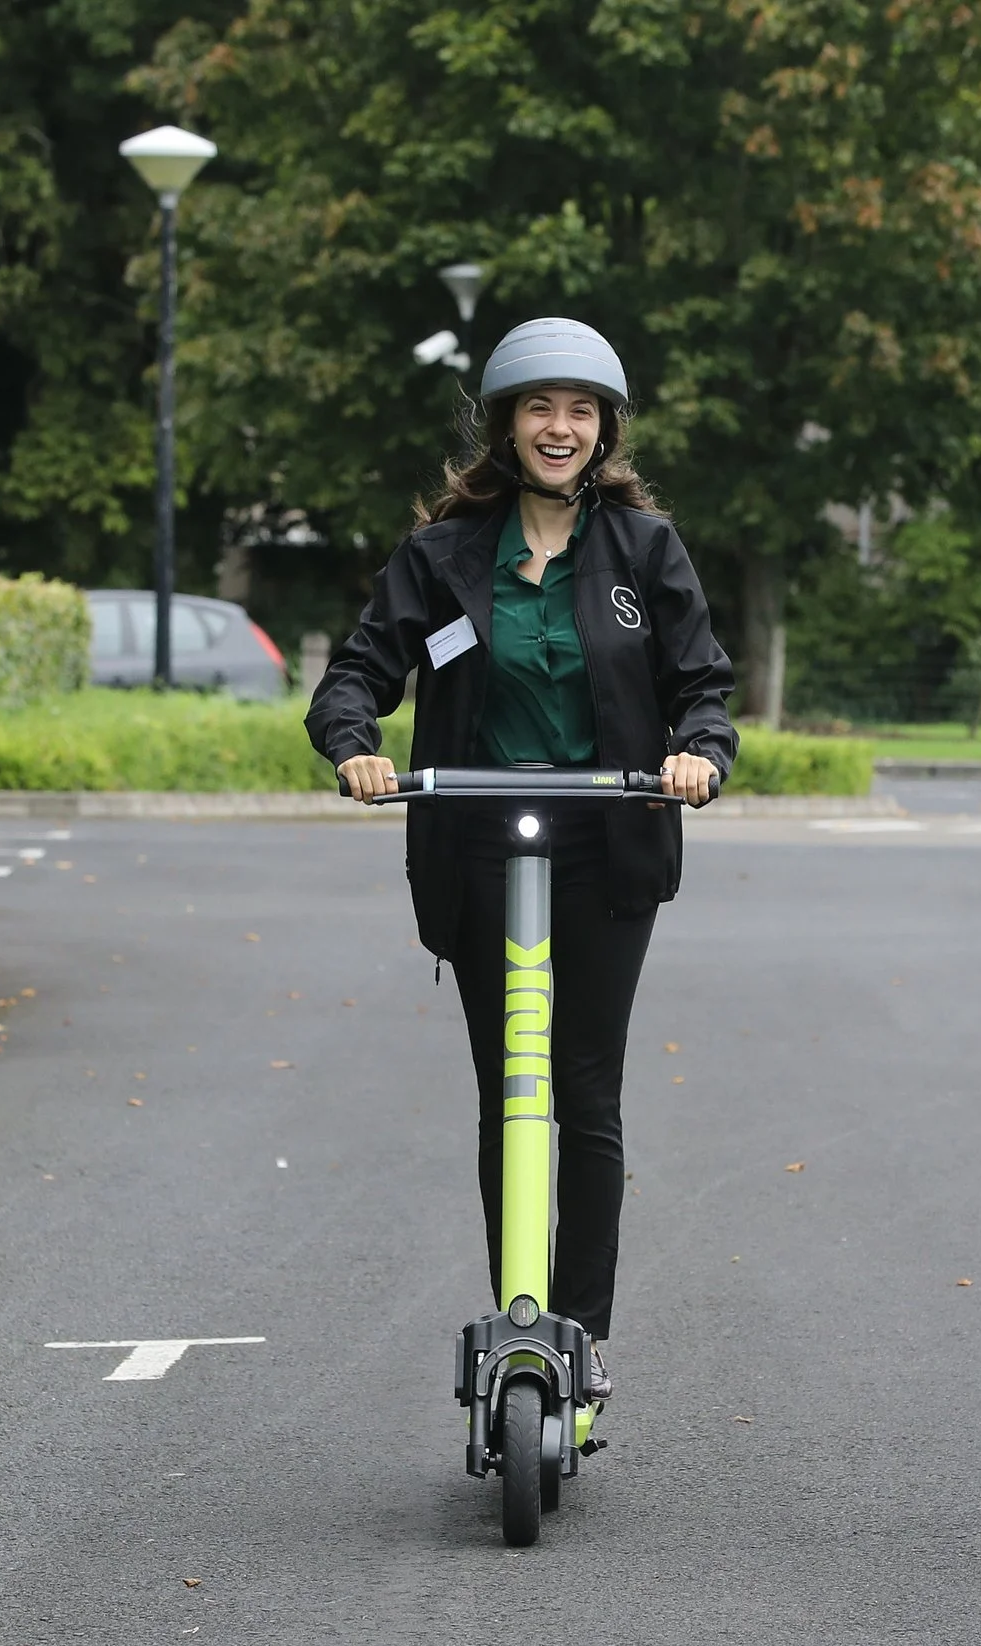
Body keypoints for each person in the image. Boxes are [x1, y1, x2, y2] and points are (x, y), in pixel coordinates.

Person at [308, 317, 737, 1400]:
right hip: (480, 849)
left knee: (584, 1098)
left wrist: (696, 753)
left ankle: (580, 1338)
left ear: (604, 431)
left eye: (581, 410)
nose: (561, 427)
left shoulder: (645, 550)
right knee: (509, 1091)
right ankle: (520, 1320)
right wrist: (355, 747)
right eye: (540, 408)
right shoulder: (444, 556)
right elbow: (358, 670)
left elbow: (701, 684)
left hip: (606, 850)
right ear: (506, 425)